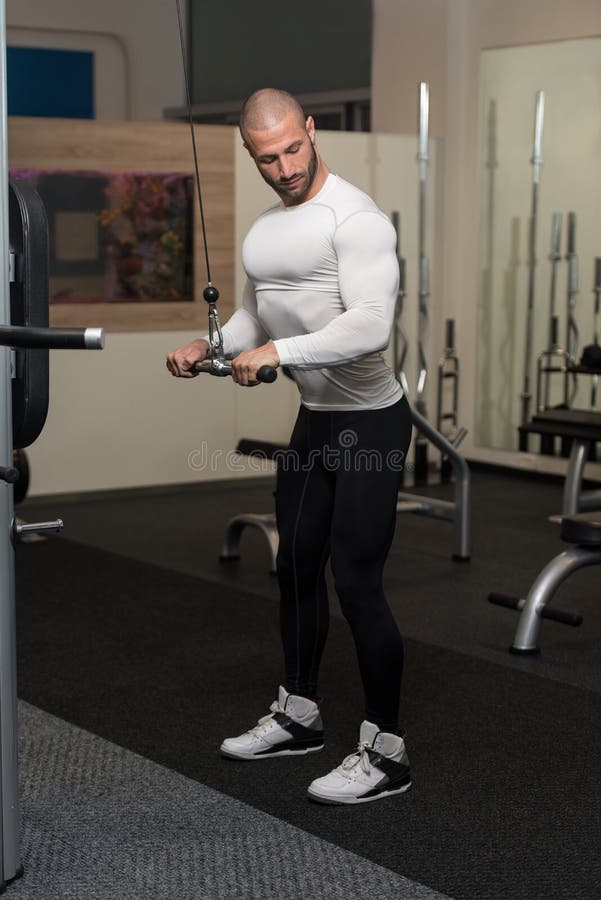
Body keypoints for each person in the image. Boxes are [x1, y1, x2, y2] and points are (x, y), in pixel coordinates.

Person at [166, 88, 413, 805]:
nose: (283, 167)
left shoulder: (356, 220)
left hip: (369, 421)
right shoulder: (266, 233)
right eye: (266, 158)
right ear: (252, 155)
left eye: (293, 148)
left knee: (356, 580)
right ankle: (298, 714)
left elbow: (369, 326)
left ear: (311, 129)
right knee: (296, 567)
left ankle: (386, 752)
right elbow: (253, 315)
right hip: (315, 420)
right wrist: (209, 347)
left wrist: (279, 348)